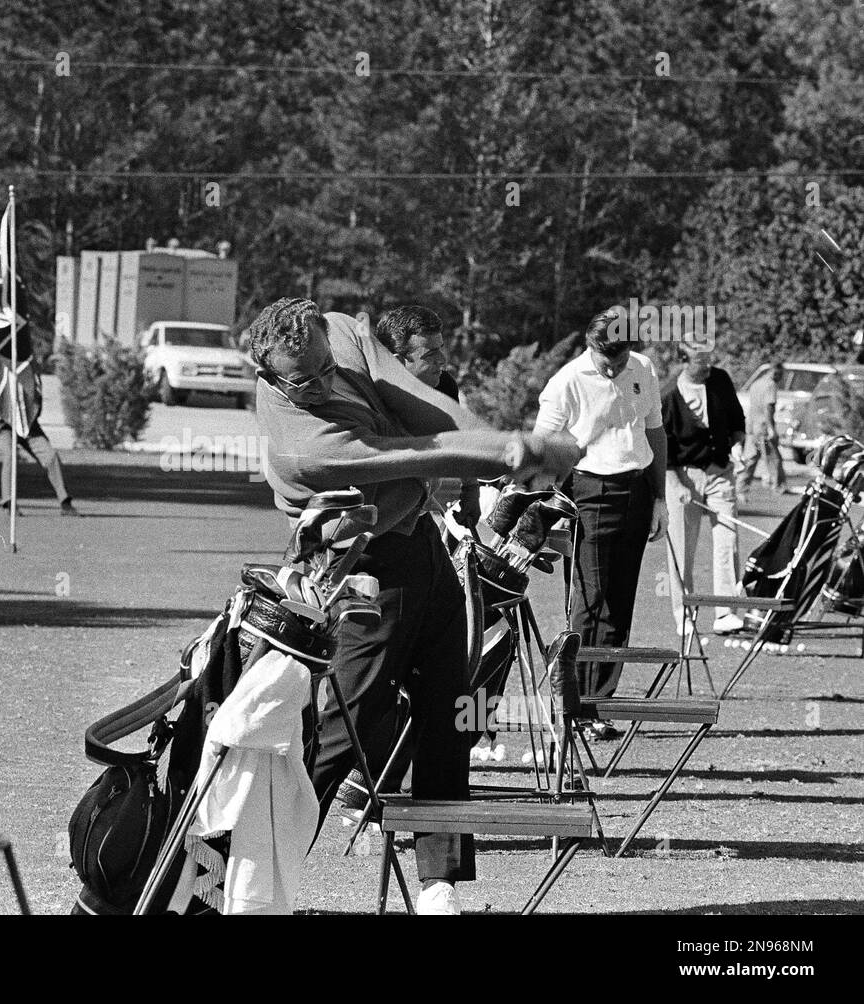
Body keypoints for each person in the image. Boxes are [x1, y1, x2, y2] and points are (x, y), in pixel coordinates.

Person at [249, 297, 578, 914]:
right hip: (362, 572)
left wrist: (511, 450)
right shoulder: (305, 446)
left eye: (328, 369)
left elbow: (423, 403)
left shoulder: (340, 331)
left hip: (422, 548)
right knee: (345, 727)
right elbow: (417, 454)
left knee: (450, 711)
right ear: (268, 374)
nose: (322, 385)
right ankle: (253, 879)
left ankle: (437, 883)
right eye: (304, 380)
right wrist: (514, 453)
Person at [533, 308, 668, 738]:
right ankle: (573, 706)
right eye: (604, 359)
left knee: (620, 602)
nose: (611, 368)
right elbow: (542, 446)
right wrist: (544, 506)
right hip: (589, 490)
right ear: (590, 345)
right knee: (589, 601)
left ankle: (599, 704)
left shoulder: (643, 368)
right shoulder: (566, 382)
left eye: (619, 359)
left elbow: (655, 432)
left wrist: (660, 498)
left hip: (637, 488)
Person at [660, 341, 746, 636]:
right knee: (681, 548)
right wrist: (676, 484)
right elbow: (662, 448)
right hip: (683, 476)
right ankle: (684, 613)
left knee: (728, 541)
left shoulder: (720, 380)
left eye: (710, 360)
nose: (708, 366)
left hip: (721, 471)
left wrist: (738, 447)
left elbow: (737, 421)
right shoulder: (668, 394)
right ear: (684, 360)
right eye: (701, 361)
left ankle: (726, 612)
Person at [373, 305, 480, 529]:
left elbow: (458, 440)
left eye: (441, 349)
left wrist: (471, 488)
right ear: (397, 362)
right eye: (430, 355)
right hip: (371, 518)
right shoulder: (369, 395)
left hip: (419, 511)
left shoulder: (444, 385)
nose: (442, 360)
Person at [0, 350, 81, 516]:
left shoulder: (29, 362)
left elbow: (36, 391)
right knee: (9, 455)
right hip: (4, 424)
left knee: (50, 456)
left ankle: (65, 502)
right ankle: (9, 503)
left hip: (27, 423)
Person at [737, 361, 787, 500]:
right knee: (773, 458)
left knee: (751, 458)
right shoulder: (770, 385)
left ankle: (740, 486)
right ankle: (778, 486)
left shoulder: (756, 383)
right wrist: (771, 429)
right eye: (780, 375)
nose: (780, 378)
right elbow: (768, 408)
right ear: (775, 372)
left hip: (752, 427)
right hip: (764, 428)